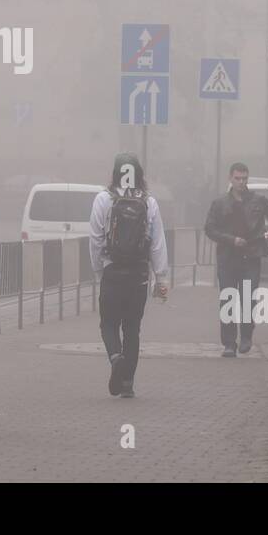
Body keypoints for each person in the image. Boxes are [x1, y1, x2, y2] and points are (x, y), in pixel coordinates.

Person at [88, 153, 169, 398]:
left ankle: (115, 358)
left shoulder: (104, 199)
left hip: (113, 271)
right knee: (132, 328)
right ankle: (127, 384)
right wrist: (161, 277)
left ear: (115, 173)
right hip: (139, 274)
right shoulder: (149, 202)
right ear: (139, 175)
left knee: (108, 323)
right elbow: (157, 243)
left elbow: (95, 238)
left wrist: (99, 269)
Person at [204, 162, 268, 358]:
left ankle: (246, 336)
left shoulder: (259, 200)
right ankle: (229, 343)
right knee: (228, 300)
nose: (241, 182)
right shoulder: (220, 203)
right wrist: (231, 240)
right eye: (237, 178)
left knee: (248, 299)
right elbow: (210, 229)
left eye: (244, 178)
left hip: (251, 256)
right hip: (228, 258)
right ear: (230, 178)